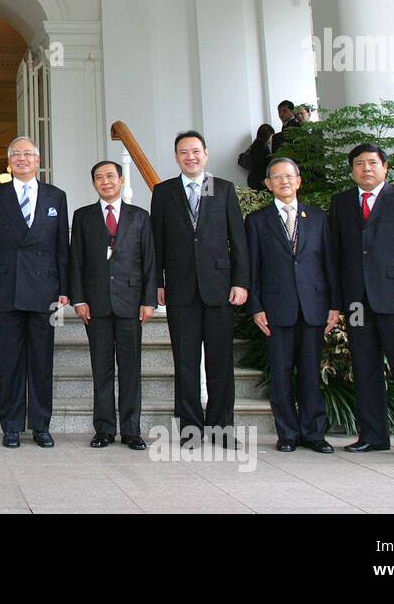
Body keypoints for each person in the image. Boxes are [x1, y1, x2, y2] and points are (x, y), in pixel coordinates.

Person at [328, 143, 394, 461]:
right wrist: (338, 301)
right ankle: (373, 435)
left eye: (372, 163)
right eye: (359, 164)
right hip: (358, 302)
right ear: (352, 170)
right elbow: (335, 256)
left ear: (385, 166)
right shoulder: (342, 203)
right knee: (365, 369)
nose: (366, 168)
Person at [150, 131, 249, 446]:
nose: (190, 157)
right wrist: (158, 283)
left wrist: (241, 281)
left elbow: (239, 241)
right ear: (176, 157)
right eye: (183, 152)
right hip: (180, 289)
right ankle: (190, 429)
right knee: (185, 361)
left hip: (219, 287)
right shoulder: (164, 192)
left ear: (205, 153)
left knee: (220, 361)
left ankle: (222, 429)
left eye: (195, 151)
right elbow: (156, 242)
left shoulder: (222, 189)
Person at [0, 136, 69, 449]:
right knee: (11, 361)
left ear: (38, 160)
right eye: (15, 154)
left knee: (43, 360)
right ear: (9, 161)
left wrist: (65, 290)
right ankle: (12, 426)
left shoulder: (56, 196)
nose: (22, 159)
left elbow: (62, 247)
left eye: (28, 154)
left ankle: (41, 425)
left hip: (46, 291)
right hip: (5, 288)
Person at [247, 158, 341, 453]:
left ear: (299, 181)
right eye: (277, 177)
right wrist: (256, 306)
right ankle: (287, 432)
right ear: (268, 184)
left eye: (289, 176)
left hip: (313, 305)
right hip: (276, 307)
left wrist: (334, 305)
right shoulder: (257, 221)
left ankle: (314, 432)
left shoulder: (317, 218)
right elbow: (253, 268)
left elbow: (330, 264)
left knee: (312, 372)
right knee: (281, 372)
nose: (284, 181)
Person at [69, 161, 158, 450]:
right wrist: (79, 299)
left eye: (110, 176)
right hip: (95, 305)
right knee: (102, 369)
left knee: (131, 369)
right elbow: (76, 261)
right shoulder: (83, 217)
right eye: (99, 178)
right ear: (94, 184)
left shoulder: (140, 217)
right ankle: (104, 429)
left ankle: (131, 430)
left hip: (131, 304)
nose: (105, 182)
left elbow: (149, 262)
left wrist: (148, 301)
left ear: (120, 180)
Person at [238, 123, 275, 189]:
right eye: (272, 135)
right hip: (259, 181)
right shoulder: (261, 146)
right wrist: (263, 180)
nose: (273, 138)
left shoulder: (255, 144)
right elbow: (259, 165)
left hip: (254, 180)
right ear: (268, 135)